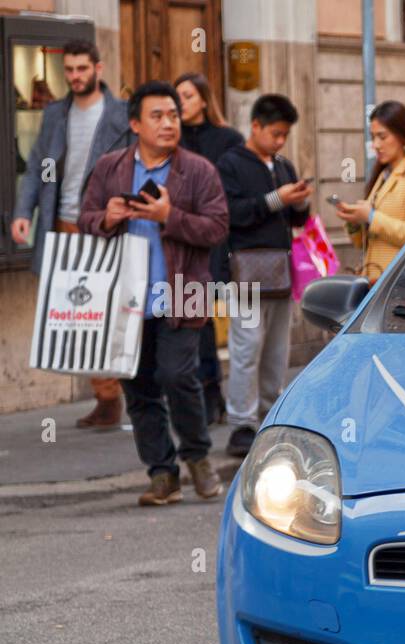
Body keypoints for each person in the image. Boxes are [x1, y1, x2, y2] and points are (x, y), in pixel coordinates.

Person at [78, 81, 230, 505]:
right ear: (134, 124)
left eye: (173, 115)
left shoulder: (198, 170)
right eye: (157, 116)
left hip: (186, 291)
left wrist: (170, 215)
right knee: (138, 386)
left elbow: (217, 228)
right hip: (125, 298)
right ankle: (162, 473)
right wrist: (105, 218)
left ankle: (198, 457)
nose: (168, 124)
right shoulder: (110, 168)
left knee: (178, 374)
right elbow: (85, 217)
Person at [11, 39, 132, 429]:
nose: (75, 77)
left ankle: (124, 393)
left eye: (82, 69)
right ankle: (108, 397)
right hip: (61, 226)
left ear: (98, 68)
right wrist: (22, 213)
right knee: (78, 315)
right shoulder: (54, 115)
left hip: (106, 227)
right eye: (70, 71)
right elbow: (37, 167)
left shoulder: (122, 114)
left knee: (106, 315)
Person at [217, 94, 312, 458]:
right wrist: (277, 199)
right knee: (247, 346)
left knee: (277, 348)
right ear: (254, 126)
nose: (280, 141)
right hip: (247, 273)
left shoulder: (282, 164)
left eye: (284, 134)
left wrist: (300, 201)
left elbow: (297, 221)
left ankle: (272, 412)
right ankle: (241, 423)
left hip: (281, 271)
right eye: (275, 133)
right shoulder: (230, 164)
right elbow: (233, 213)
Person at [176, 71, 244, 424]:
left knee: (219, 315)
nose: (181, 103)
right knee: (193, 318)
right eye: (178, 97)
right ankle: (204, 391)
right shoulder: (171, 140)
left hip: (219, 241)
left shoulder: (229, 139)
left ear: (203, 98)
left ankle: (227, 396)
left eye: (187, 96)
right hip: (180, 240)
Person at [336, 101, 405, 284]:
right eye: (373, 137)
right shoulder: (383, 175)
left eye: (382, 137)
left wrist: (371, 217)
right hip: (376, 283)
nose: (375, 144)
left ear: (402, 135)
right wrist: (355, 221)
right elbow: (364, 243)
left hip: (401, 287)